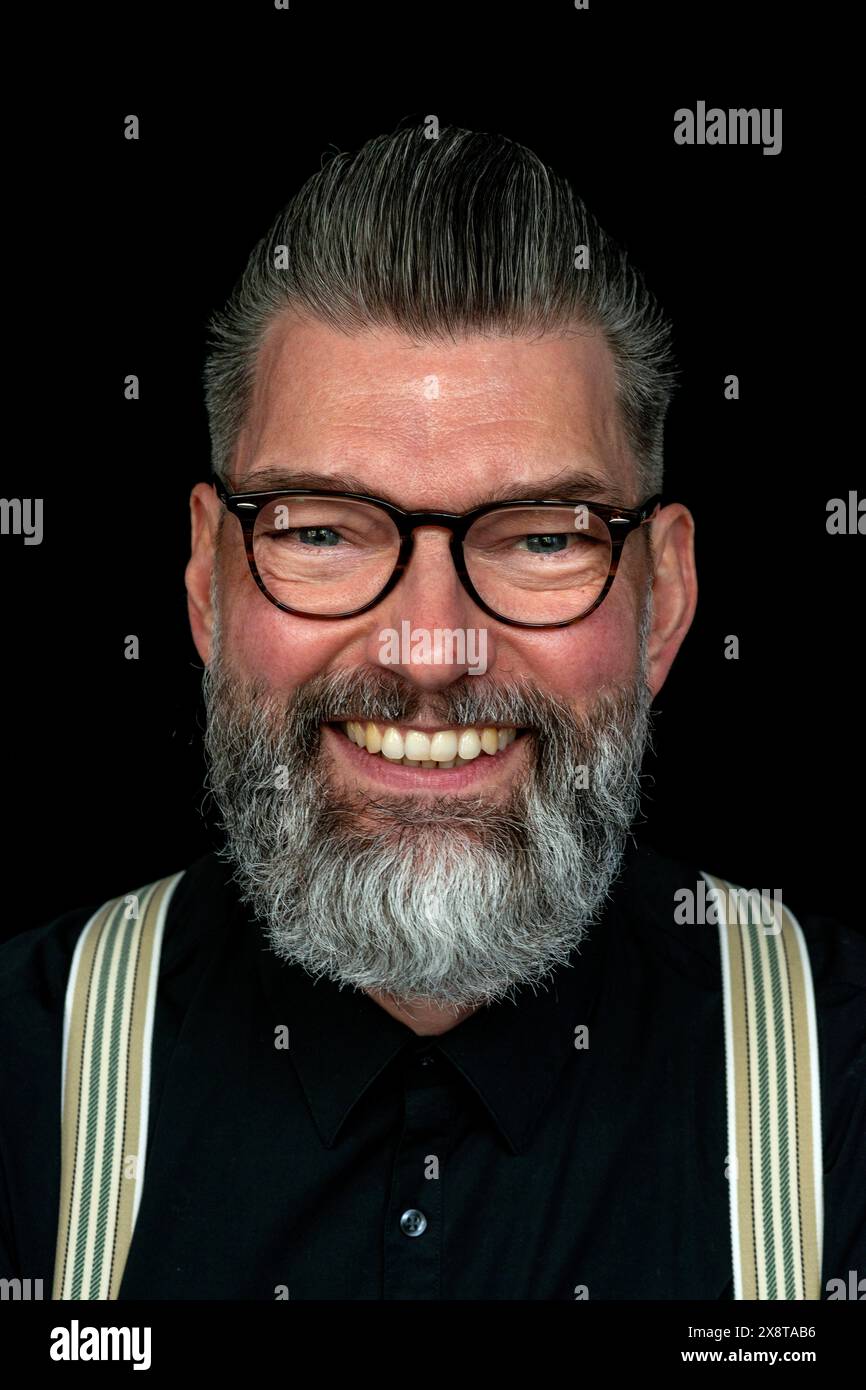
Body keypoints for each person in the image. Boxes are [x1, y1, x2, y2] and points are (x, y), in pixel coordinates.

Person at [1, 123, 863, 1302]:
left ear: (661, 601)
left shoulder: (844, 1080)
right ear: (205, 578)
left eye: (542, 536)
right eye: (318, 528)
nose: (429, 649)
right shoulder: (21, 1070)